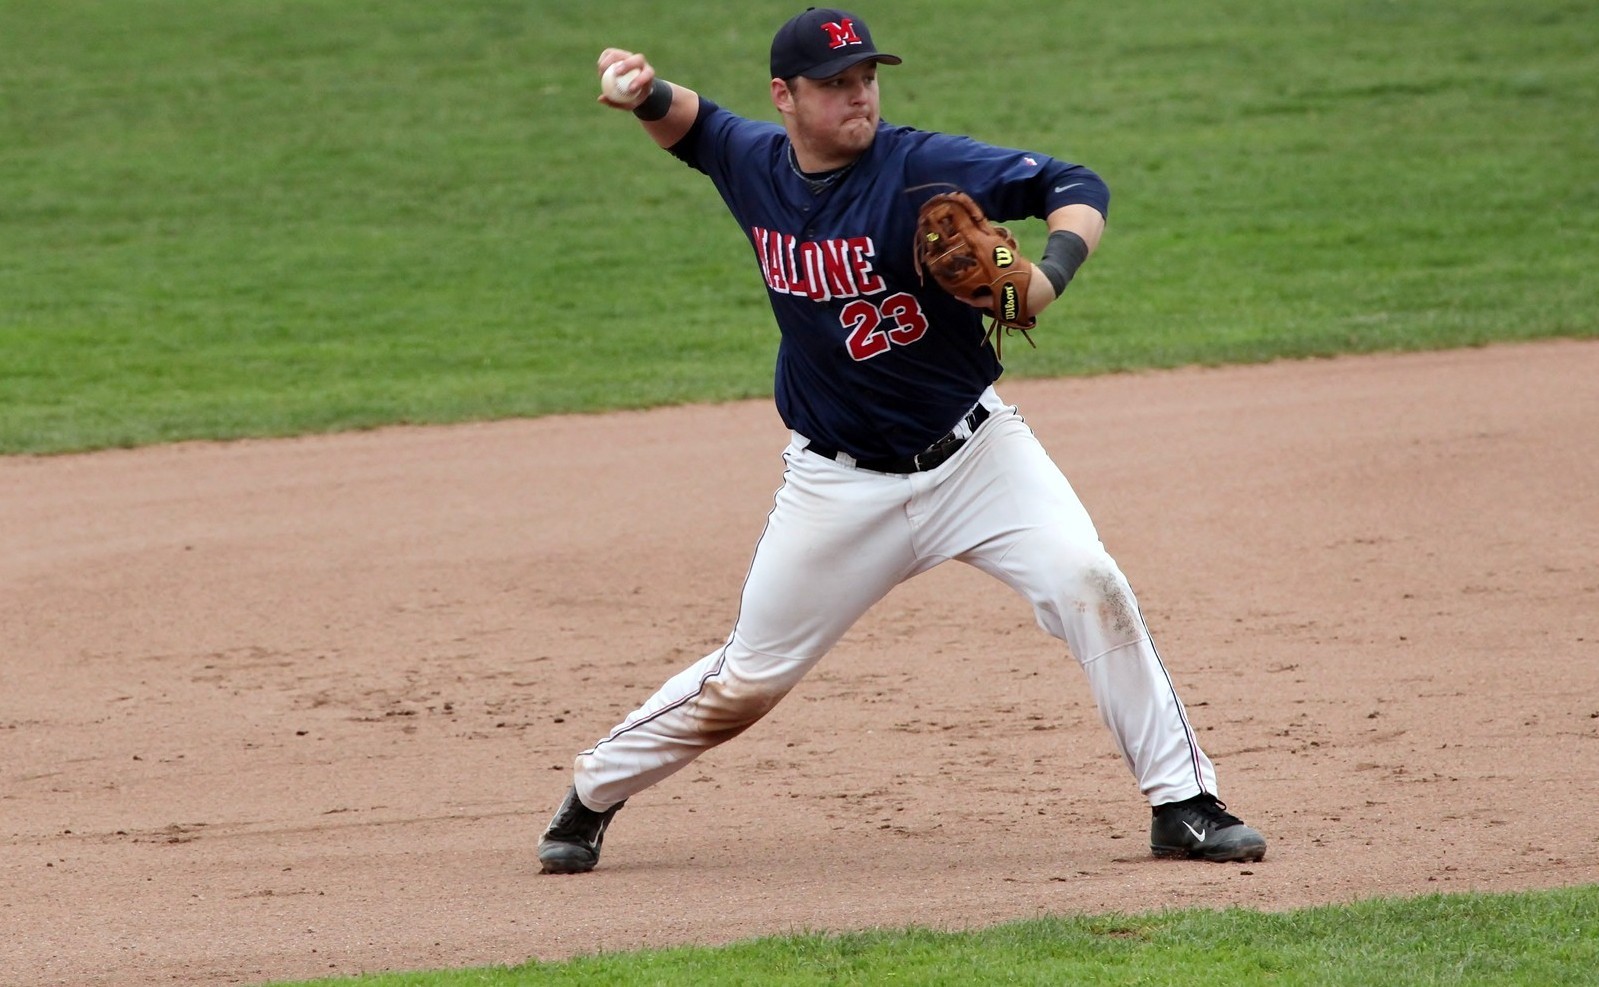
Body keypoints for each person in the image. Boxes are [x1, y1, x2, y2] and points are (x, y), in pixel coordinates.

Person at [538, 8, 1266, 874]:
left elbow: (1077, 184)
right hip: (835, 489)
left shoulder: (921, 166)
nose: (858, 96)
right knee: (747, 681)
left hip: (977, 458)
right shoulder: (755, 165)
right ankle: (592, 792)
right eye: (835, 83)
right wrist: (639, 89)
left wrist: (1048, 278)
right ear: (786, 96)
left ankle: (1183, 803)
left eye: (866, 78)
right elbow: (689, 123)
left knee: (1091, 585)